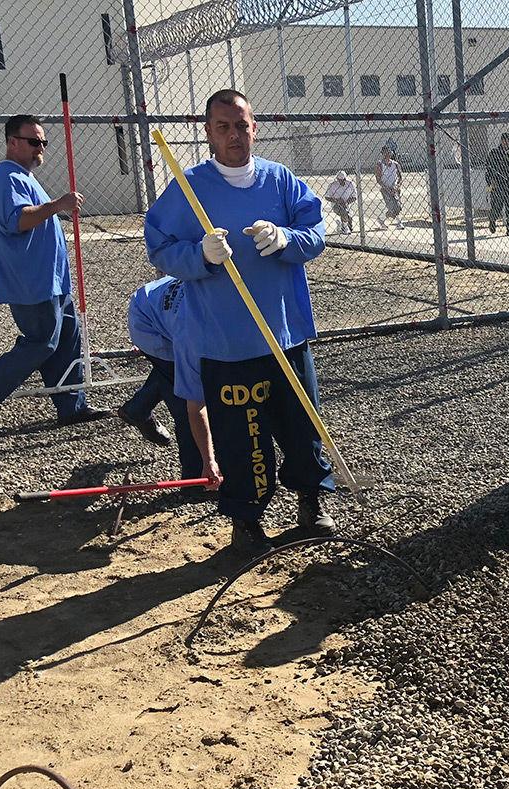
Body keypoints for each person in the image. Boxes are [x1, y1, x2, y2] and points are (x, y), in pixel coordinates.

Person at [144, 89, 335, 550]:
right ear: (208, 132)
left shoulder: (280, 180)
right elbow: (159, 247)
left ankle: (312, 501)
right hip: (226, 342)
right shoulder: (188, 188)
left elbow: (317, 230)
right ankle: (246, 520)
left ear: (255, 127)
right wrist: (200, 255)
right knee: (241, 435)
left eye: (242, 125)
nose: (234, 135)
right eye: (223, 126)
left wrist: (288, 239)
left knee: (301, 422)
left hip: (284, 333)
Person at [0, 114, 109, 438]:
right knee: (42, 343)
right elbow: (16, 221)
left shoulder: (24, 176)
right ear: (12, 142)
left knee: (68, 338)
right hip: (31, 282)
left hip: (52, 280)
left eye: (43, 142)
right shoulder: (6, 175)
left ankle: (71, 407)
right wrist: (58, 204)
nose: (40, 148)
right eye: (33, 142)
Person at [117, 276, 210, 484]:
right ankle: (195, 478)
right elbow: (194, 404)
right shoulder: (191, 328)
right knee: (185, 399)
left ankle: (136, 409)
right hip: (147, 321)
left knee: (173, 375)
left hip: (159, 305)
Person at [486, 132, 509, 236]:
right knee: (497, 207)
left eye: (508, 140)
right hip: (498, 184)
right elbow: (489, 168)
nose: (506, 142)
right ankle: (492, 221)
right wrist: (490, 181)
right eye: (504, 140)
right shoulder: (494, 152)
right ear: (501, 141)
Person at [375, 147, 404, 230]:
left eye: (389, 153)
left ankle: (382, 219)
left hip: (395, 188)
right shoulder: (380, 164)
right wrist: (386, 188)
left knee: (398, 206)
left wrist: (396, 186)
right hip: (385, 189)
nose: (387, 154)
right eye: (385, 153)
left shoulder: (395, 164)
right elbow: (378, 179)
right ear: (382, 154)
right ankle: (398, 222)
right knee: (391, 207)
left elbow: (400, 178)